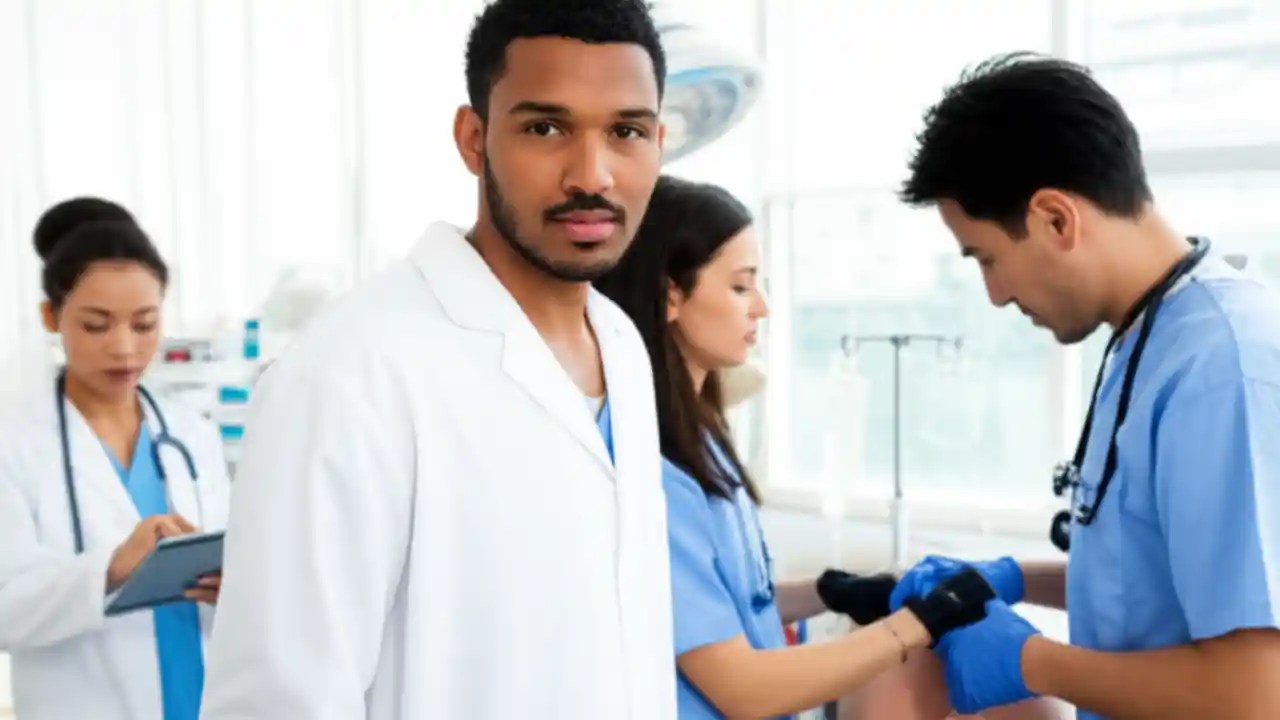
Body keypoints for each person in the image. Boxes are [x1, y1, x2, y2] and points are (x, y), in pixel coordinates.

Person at [201, 2, 681, 717]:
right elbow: (278, 700)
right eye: (545, 128)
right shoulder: (348, 374)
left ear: (659, 142)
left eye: (626, 132)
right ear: (473, 138)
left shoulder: (622, 347)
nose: (592, 175)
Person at [890, 52, 1280, 718]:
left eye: (988, 258)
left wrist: (1030, 661)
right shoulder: (1146, 339)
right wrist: (1007, 579)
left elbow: (1253, 694)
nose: (995, 295)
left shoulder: (1222, 364)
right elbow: (1160, 583)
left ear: (1055, 219)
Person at [594, 175, 1003, 719]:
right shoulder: (648, 469)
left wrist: (830, 591)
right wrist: (917, 624)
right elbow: (742, 688)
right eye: (740, 287)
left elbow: (732, 609)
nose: (760, 307)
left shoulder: (703, 439)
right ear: (672, 294)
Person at [0, 197, 231, 720]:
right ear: (50, 316)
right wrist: (109, 569)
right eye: (97, 325)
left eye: (144, 323)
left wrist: (235, 584)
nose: (125, 349)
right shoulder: (13, 446)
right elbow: (5, 609)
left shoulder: (193, 436)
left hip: (204, 700)